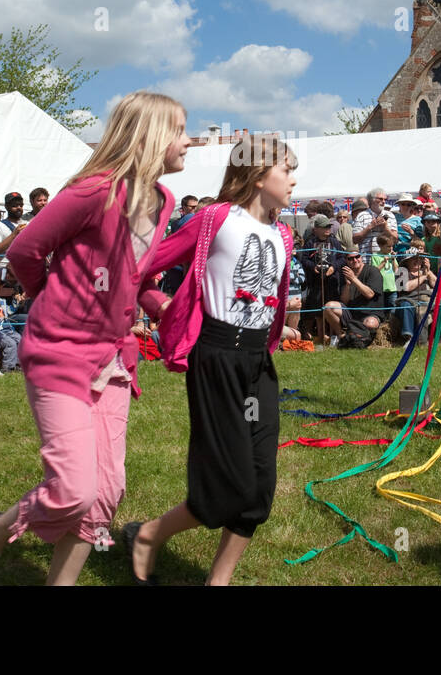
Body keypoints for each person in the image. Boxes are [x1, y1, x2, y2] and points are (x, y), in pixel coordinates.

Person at [0, 91, 187, 586]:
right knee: (71, 491)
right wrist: (54, 300)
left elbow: (140, 280)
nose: (189, 141)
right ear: (151, 136)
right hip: (59, 352)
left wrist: (166, 310)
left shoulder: (164, 201)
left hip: (115, 359)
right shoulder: (92, 192)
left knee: (104, 492)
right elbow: (24, 251)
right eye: (181, 130)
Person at [125, 135, 295, 585]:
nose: (294, 180)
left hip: (258, 363)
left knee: (259, 485)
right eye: (287, 170)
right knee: (229, 485)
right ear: (259, 176)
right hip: (216, 356)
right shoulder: (215, 219)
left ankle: (217, 581)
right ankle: (147, 534)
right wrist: (160, 305)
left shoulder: (283, 233)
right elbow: (146, 264)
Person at [323, 250, 384, 347]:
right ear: (346, 261)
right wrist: (347, 285)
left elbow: (370, 294)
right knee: (328, 307)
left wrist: (354, 279)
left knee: (370, 324)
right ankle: (341, 337)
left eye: (357, 257)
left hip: (371, 313)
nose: (355, 260)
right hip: (352, 314)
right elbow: (344, 301)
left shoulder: (373, 271)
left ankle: (359, 340)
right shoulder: (345, 273)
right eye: (350, 258)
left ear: (361, 257)